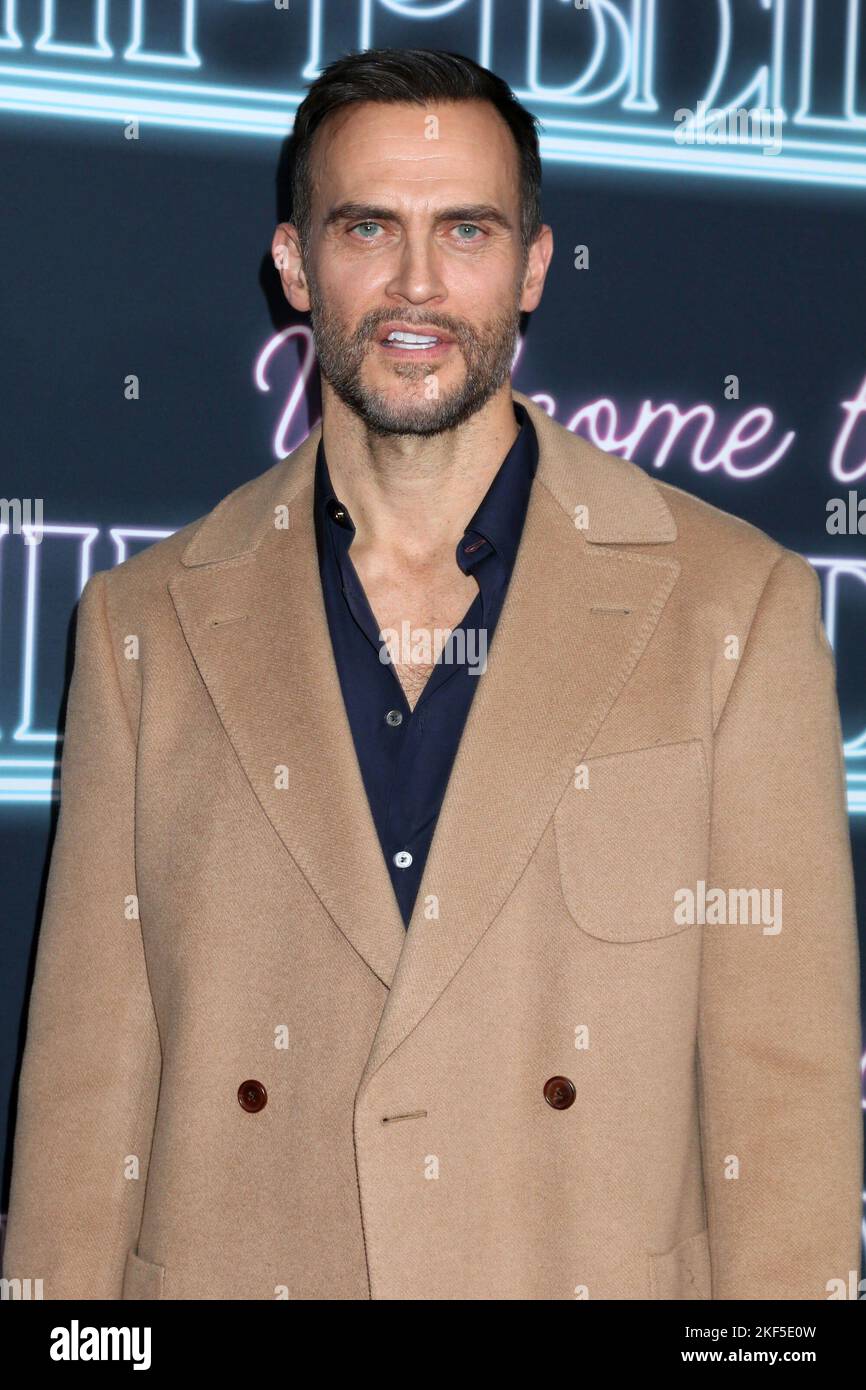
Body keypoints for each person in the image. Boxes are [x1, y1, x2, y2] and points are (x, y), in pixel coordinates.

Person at [3, 47, 861, 1301]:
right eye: (367, 227)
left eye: (465, 229)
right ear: (295, 264)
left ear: (530, 266)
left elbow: (780, 1111)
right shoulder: (143, 625)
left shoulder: (731, 607)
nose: (416, 284)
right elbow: (85, 1104)